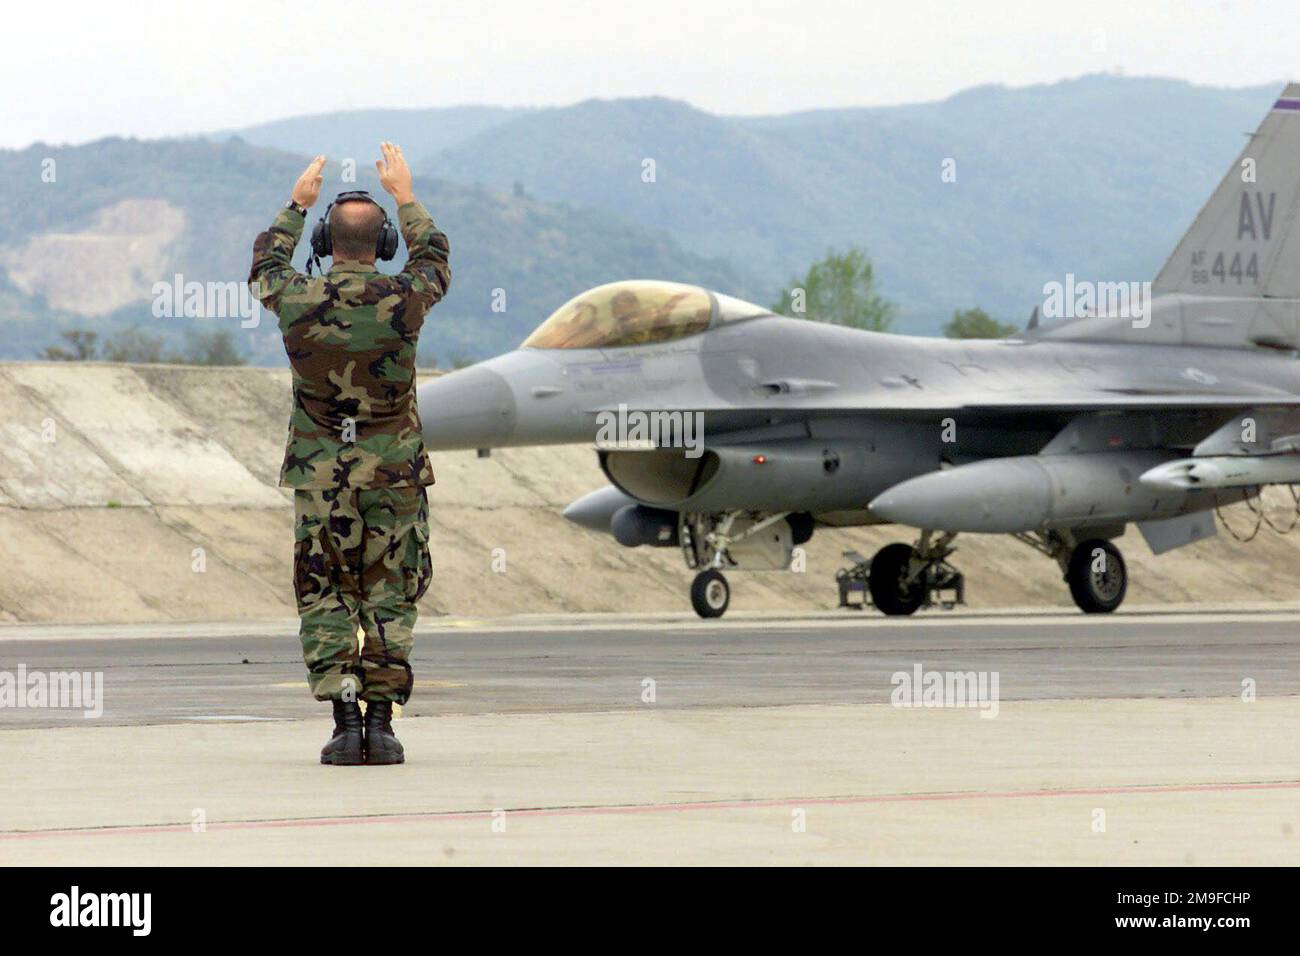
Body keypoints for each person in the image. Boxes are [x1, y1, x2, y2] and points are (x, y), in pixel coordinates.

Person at [249, 143, 450, 765]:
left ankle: (343, 723)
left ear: (325, 244)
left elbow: (263, 266)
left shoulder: (298, 300)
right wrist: (406, 196)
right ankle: (382, 727)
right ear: (383, 243)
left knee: (326, 592)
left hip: (321, 478)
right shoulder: (404, 299)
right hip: (393, 475)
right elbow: (436, 259)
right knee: (390, 594)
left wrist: (294, 206)